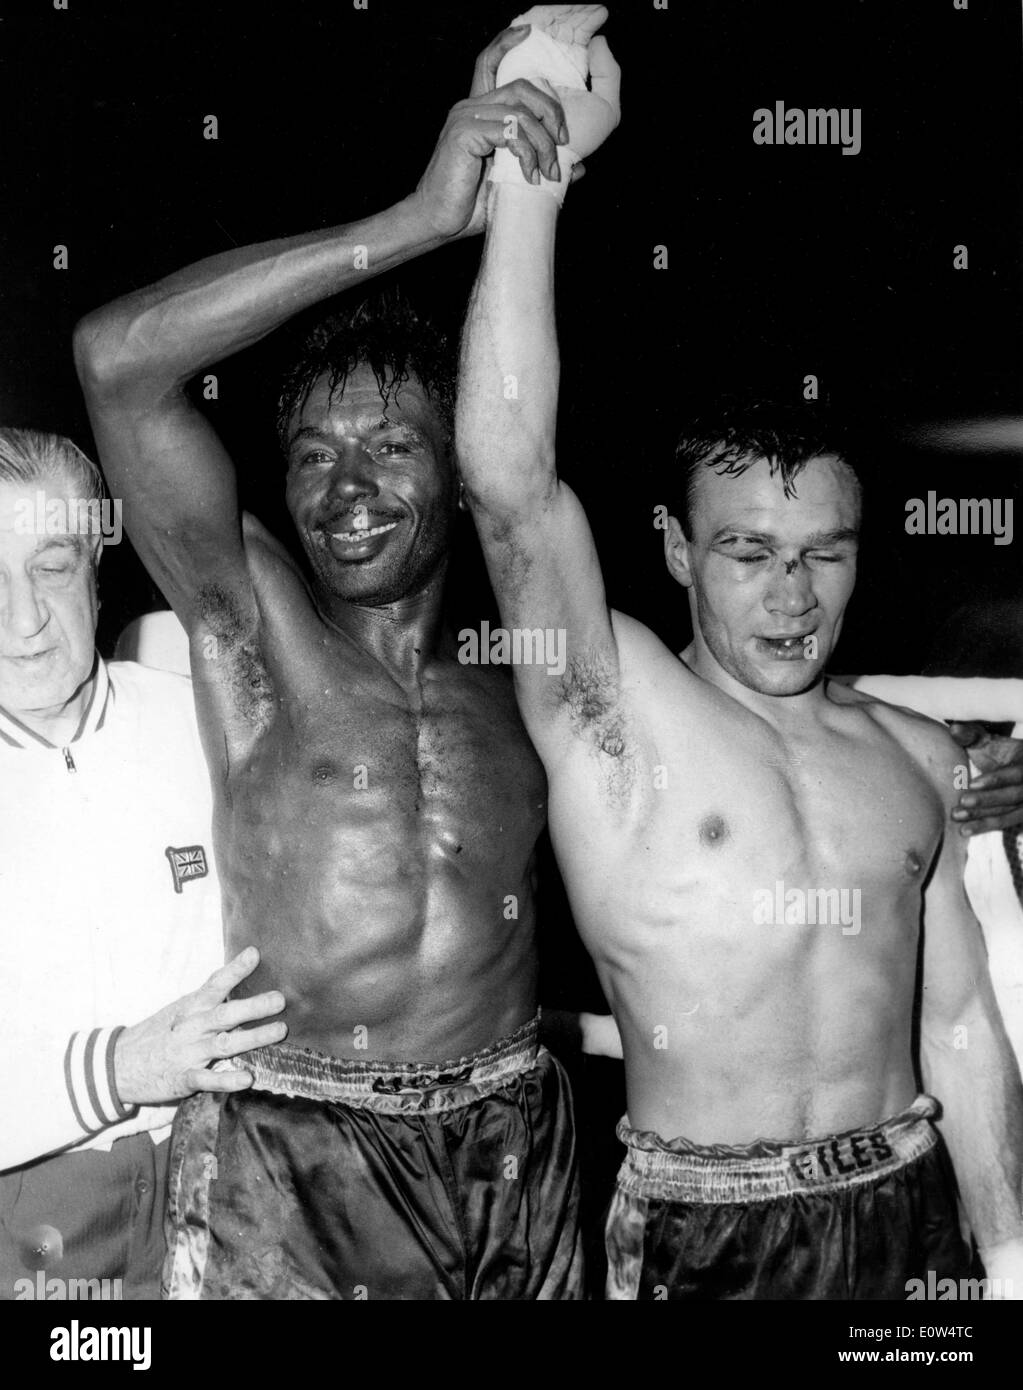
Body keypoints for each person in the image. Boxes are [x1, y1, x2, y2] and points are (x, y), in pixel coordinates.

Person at [455, 7, 1023, 1299]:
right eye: (745, 552)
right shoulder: (614, 710)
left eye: (822, 552)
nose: (789, 594)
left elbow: (955, 1024)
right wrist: (532, 191)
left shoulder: (914, 756)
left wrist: (1005, 1255)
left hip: (908, 1205)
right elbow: (507, 483)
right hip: (707, 1226)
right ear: (671, 550)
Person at [74, 29, 587, 1300]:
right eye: (312, 454)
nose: (346, 491)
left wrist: (957, 787)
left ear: (457, 480)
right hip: (296, 1152)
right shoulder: (251, 629)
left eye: (388, 448)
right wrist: (417, 220)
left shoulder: (531, 669)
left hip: (513, 1143)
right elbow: (117, 360)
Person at [0, 428, 285, 1301]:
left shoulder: (203, 721)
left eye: (51, 566)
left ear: (96, 566)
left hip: (224, 1172)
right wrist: (121, 1068)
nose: (24, 618)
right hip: (32, 1212)